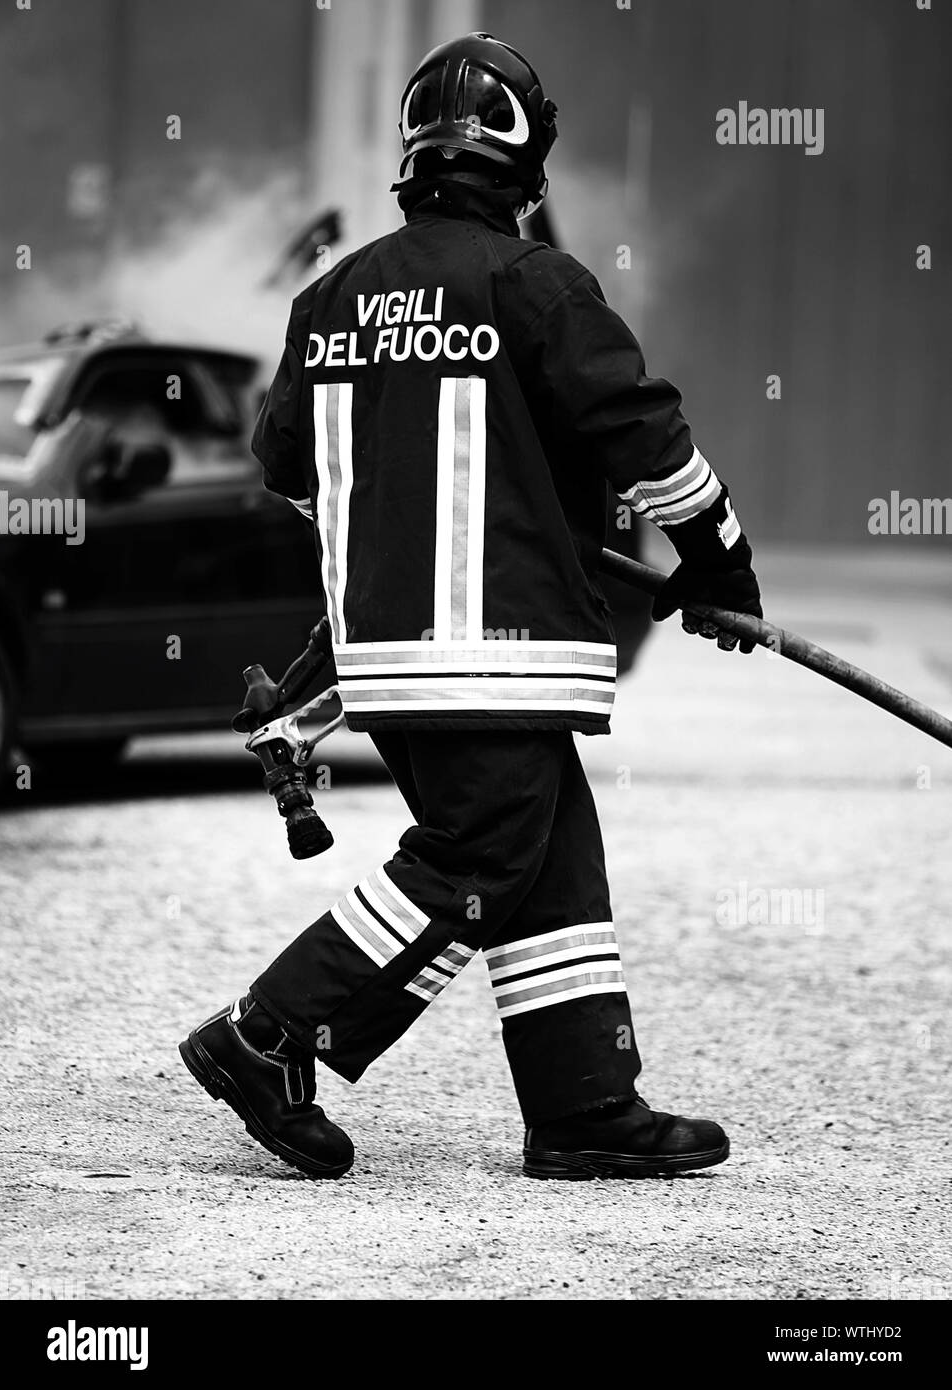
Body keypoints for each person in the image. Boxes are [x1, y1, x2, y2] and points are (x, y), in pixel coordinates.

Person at [179, 32, 763, 1180]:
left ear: (412, 159)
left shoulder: (329, 296)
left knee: (549, 860)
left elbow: (289, 467)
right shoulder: (538, 286)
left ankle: (585, 1105)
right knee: (476, 859)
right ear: (526, 171)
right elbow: (645, 437)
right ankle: (267, 1033)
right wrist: (718, 564)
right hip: (499, 651)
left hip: (391, 657)